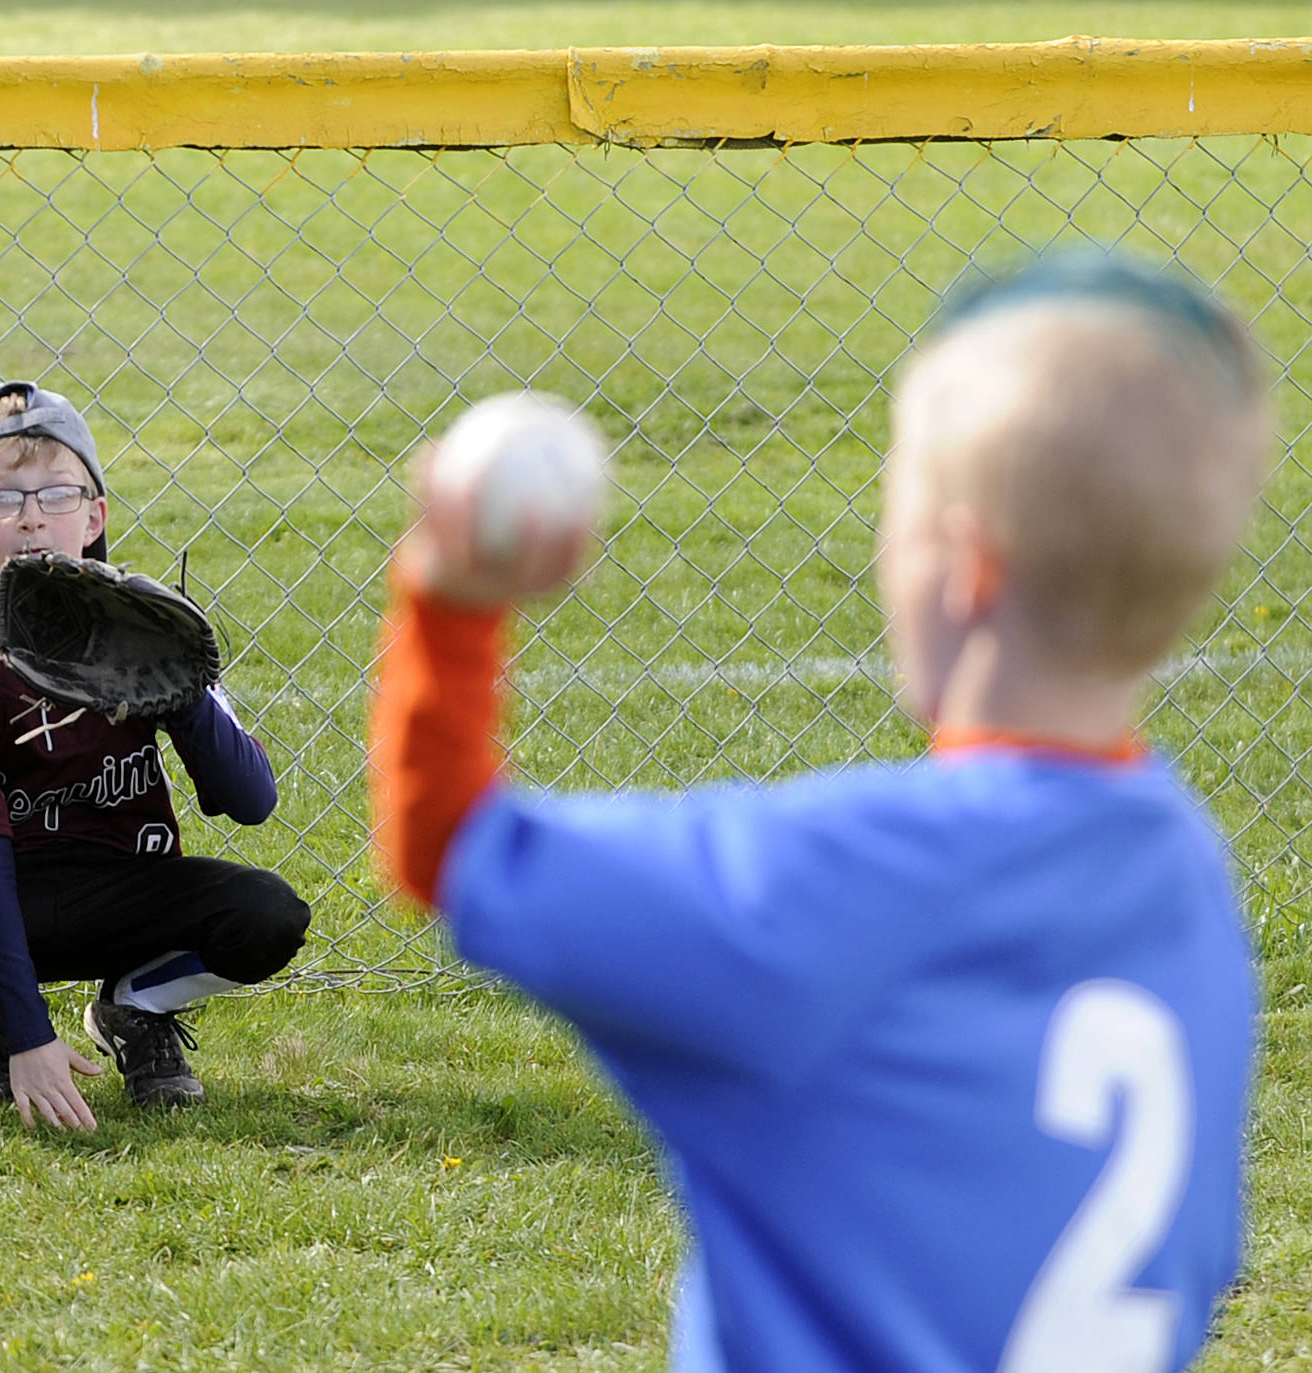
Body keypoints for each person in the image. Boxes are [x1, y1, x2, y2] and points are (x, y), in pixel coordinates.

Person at [369, 256, 1269, 1371]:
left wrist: (452, 598)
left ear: (965, 568)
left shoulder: (831, 883)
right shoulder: (1186, 877)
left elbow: (450, 842)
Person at [0, 380, 310, 1130]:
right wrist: (29, 1033)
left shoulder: (149, 628)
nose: (30, 520)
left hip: (125, 886)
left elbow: (252, 802)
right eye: (1, 499)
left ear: (95, 516)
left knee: (268, 914)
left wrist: (176, 684)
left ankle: (134, 1006)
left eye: (57, 494)